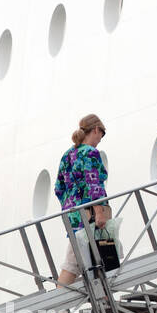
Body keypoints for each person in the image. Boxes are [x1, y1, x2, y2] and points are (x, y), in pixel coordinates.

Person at [52, 114, 110, 287]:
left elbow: (58, 188)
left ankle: (105, 298)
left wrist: (71, 206)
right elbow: (93, 184)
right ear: (96, 130)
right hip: (91, 215)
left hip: (74, 215)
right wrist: (99, 212)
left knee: (94, 257)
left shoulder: (67, 155)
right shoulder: (90, 153)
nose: (101, 139)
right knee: (77, 261)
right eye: (102, 133)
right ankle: (58, 307)